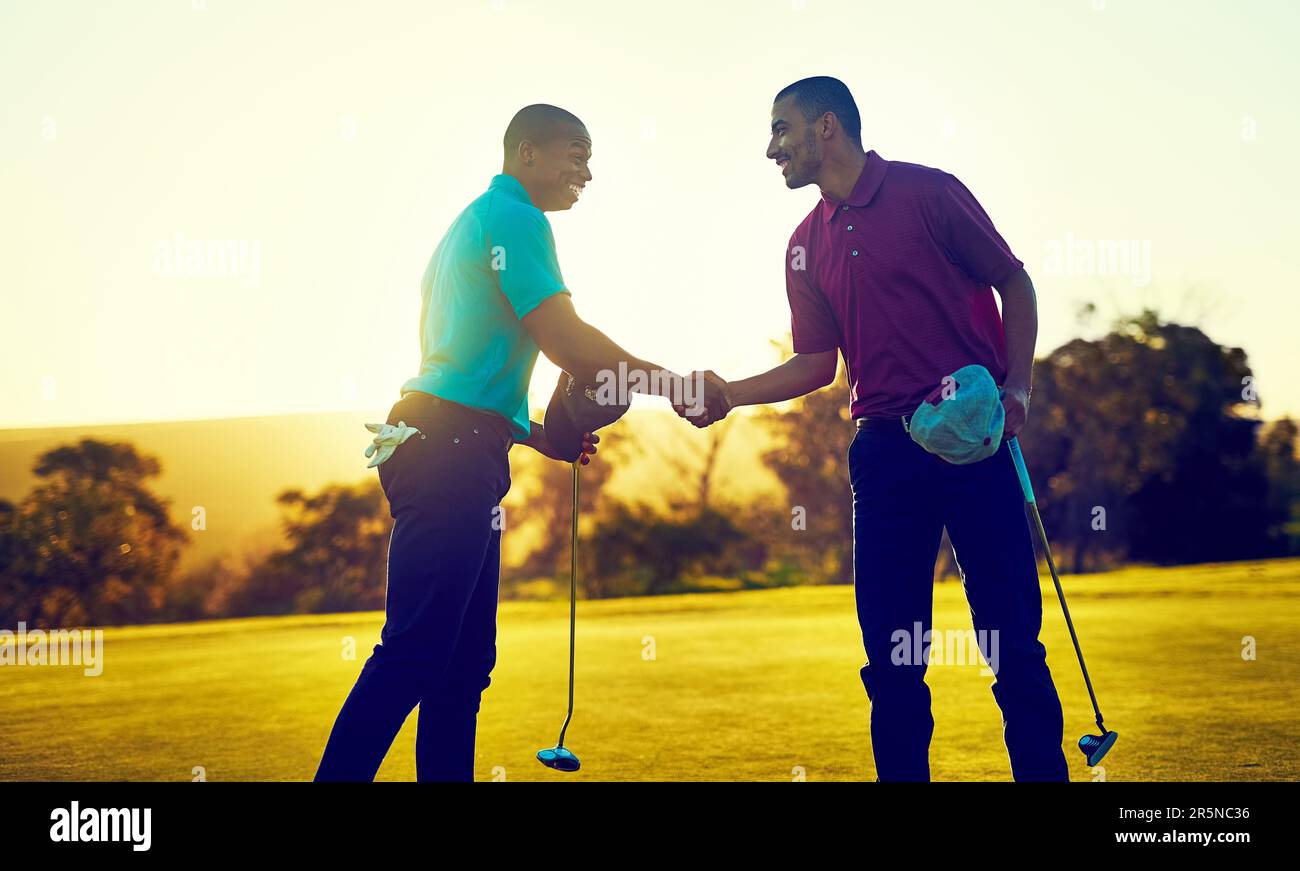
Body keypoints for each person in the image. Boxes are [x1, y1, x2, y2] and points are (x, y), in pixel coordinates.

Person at [315, 104, 723, 781]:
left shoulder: (475, 221)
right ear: (526, 154)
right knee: (417, 651)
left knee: (460, 666)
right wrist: (675, 384)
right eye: (575, 153)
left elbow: (467, 374)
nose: (587, 171)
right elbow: (566, 339)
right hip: (449, 453)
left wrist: (537, 435)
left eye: (590, 158)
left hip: (453, 440)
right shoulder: (515, 218)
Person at [687, 77, 1069, 781]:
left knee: (1013, 641)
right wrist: (731, 394)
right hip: (885, 457)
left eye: (781, 130)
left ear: (826, 127)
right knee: (893, 656)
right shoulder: (803, 245)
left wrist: (1018, 387)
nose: (770, 148)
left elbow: (1014, 282)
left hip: (976, 445)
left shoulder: (930, 192)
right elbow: (815, 364)